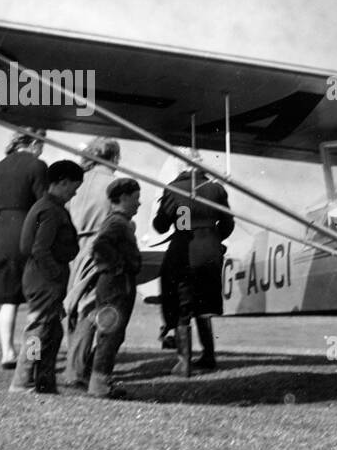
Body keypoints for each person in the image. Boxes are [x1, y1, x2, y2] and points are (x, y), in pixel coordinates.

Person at [152, 157, 234, 376]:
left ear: (181, 167)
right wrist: (213, 239)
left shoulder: (174, 188)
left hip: (184, 249)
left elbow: (162, 226)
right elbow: (228, 224)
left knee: (182, 304)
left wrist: (165, 218)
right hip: (210, 251)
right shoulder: (216, 189)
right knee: (205, 304)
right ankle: (209, 355)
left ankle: (184, 362)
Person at [9, 160, 83, 394]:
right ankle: (22, 382)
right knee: (38, 331)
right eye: (74, 186)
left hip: (44, 280)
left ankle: (44, 382)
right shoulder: (50, 210)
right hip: (44, 281)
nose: (75, 192)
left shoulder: (48, 206)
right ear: (62, 182)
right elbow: (39, 248)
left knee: (52, 332)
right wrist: (54, 275)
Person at [0, 130, 47, 368]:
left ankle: (7, 353)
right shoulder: (37, 166)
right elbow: (43, 207)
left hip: (2, 236)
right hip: (29, 236)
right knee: (38, 302)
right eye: (42, 144)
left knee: (10, 300)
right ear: (35, 142)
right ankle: (33, 356)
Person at [63, 137, 121, 386]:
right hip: (100, 248)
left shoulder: (79, 181)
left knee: (73, 307)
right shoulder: (114, 184)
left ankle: (73, 365)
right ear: (114, 158)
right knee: (89, 309)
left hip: (74, 249)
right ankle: (76, 371)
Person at [84, 178, 142, 399]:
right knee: (111, 334)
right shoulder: (118, 223)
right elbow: (100, 246)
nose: (139, 203)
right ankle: (99, 385)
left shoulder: (117, 221)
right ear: (124, 198)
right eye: (136, 198)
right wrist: (117, 267)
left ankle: (96, 378)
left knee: (111, 333)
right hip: (116, 285)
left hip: (114, 284)